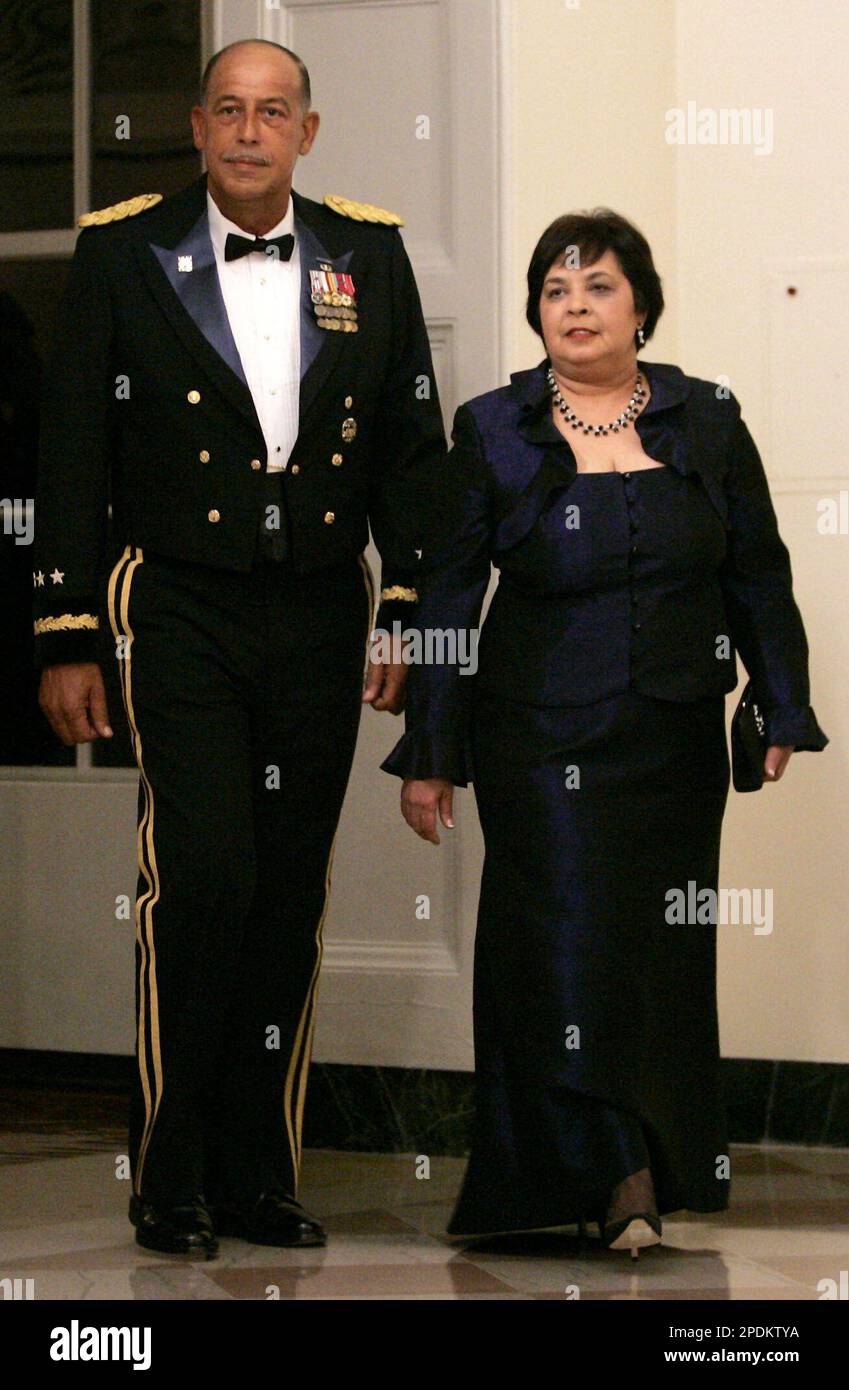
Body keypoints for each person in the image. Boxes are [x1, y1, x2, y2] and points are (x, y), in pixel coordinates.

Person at [33, 38, 445, 1259]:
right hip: (184, 611)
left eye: (274, 112)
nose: (250, 130)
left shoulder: (370, 253)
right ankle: (171, 1172)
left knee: (283, 895)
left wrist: (408, 602)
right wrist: (65, 633)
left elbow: (411, 455)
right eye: (228, 110)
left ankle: (260, 1172)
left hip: (319, 609)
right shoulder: (122, 251)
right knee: (203, 877)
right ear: (199, 128)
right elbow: (69, 460)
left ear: (307, 132)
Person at [382, 209, 828, 1258]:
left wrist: (780, 703)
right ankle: (611, 1175)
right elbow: (448, 600)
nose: (573, 308)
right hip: (540, 744)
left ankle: (650, 1162)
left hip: (671, 738)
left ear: (641, 306)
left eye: (597, 288)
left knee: (658, 958)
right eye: (554, 291)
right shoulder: (493, 427)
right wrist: (433, 753)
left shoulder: (708, 418)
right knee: (565, 948)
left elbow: (756, 570)